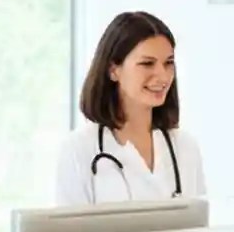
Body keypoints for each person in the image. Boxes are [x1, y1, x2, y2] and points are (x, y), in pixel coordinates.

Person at [55, 11, 206, 205]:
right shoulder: (78, 150)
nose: (162, 76)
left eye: (168, 63)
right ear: (113, 70)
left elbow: (199, 229)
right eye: (147, 63)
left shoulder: (185, 147)